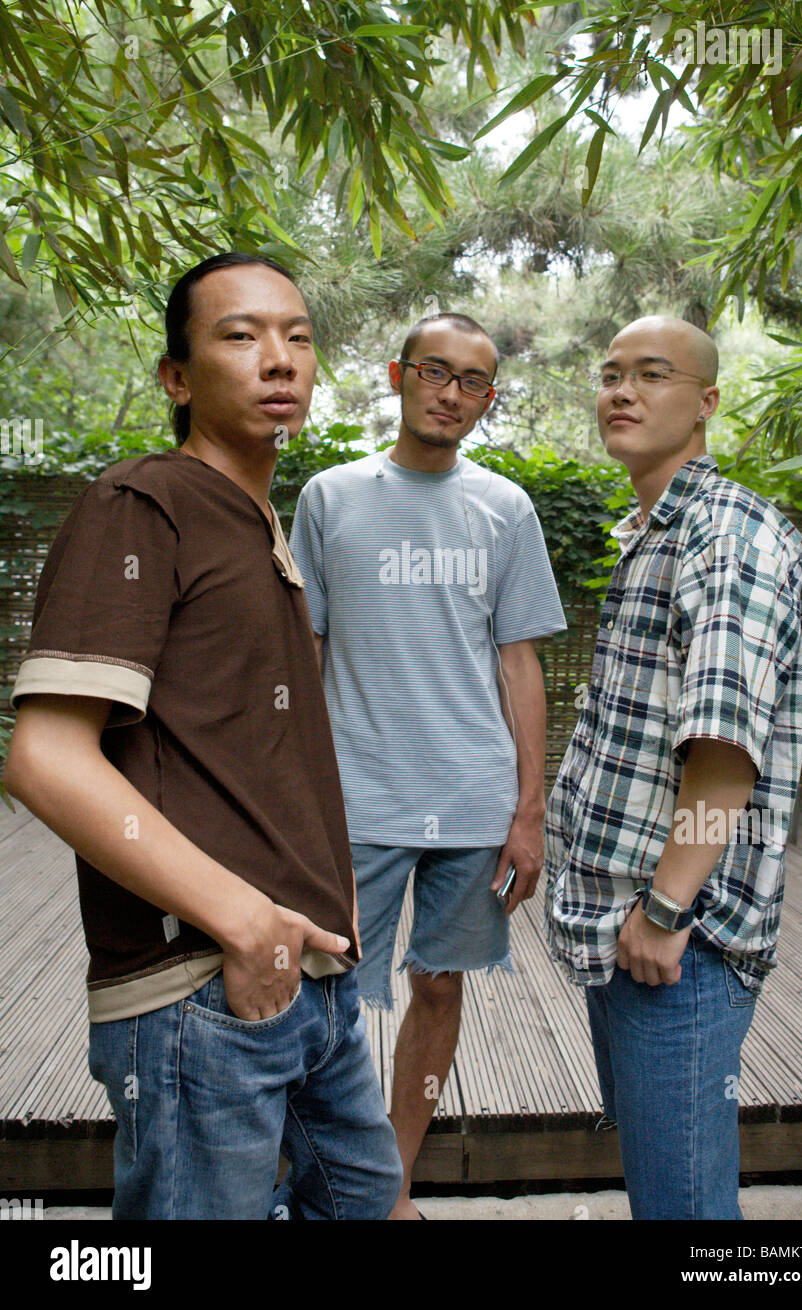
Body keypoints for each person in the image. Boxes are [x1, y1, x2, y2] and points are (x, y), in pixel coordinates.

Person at [4, 252, 402, 1221]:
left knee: (366, 1201)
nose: (280, 357)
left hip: (311, 974)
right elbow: (45, 759)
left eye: (297, 335)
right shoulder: (143, 502)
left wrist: (323, 908)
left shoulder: (258, 521)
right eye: (240, 334)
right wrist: (243, 921)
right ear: (176, 379)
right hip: (200, 988)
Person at [290, 312, 567, 1218]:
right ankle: (318, 1182)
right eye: (435, 371)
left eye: (473, 381)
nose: (451, 393)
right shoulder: (330, 497)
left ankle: (392, 1187)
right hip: (355, 797)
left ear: (489, 399)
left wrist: (529, 812)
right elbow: (305, 649)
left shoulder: (505, 509)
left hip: (473, 798)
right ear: (398, 375)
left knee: (440, 988)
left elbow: (518, 664)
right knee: (317, 994)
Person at [545, 315, 802, 1221]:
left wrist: (664, 911)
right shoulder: (658, 532)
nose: (621, 390)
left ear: (706, 402)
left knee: (684, 1214)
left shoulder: (727, 534)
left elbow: (725, 753)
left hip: (676, 942)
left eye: (652, 374)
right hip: (629, 929)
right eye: (610, 373)